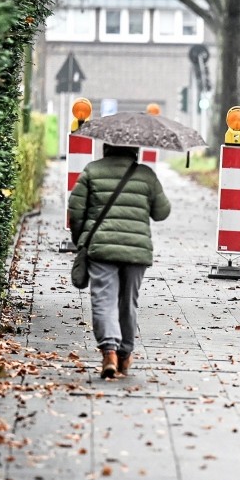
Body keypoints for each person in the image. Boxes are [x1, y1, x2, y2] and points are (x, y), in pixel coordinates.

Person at [68, 143, 172, 378]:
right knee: (128, 301)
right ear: (135, 149)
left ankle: (109, 352)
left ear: (106, 148)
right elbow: (161, 212)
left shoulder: (91, 171)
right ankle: (125, 355)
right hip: (137, 252)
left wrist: (80, 239)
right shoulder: (145, 174)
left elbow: (75, 210)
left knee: (104, 298)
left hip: (101, 248)